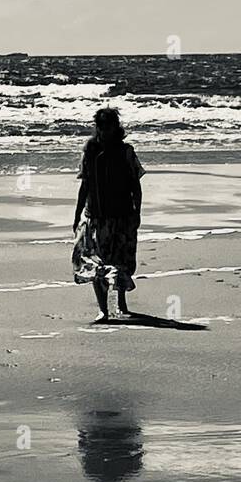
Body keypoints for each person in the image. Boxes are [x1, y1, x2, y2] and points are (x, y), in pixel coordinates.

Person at [72, 107, 146, 322]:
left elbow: (136, 186)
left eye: (108, 126)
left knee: (121, 260)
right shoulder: (90, 150)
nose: (104, 131)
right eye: (101, 126)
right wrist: (77, 215)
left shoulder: (126, 152)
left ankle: (121, 302)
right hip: (95, 216)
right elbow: (85, 184)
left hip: (122, 216)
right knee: (96, 262)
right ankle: (103, 309)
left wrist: (137, 213)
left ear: (116, 127)